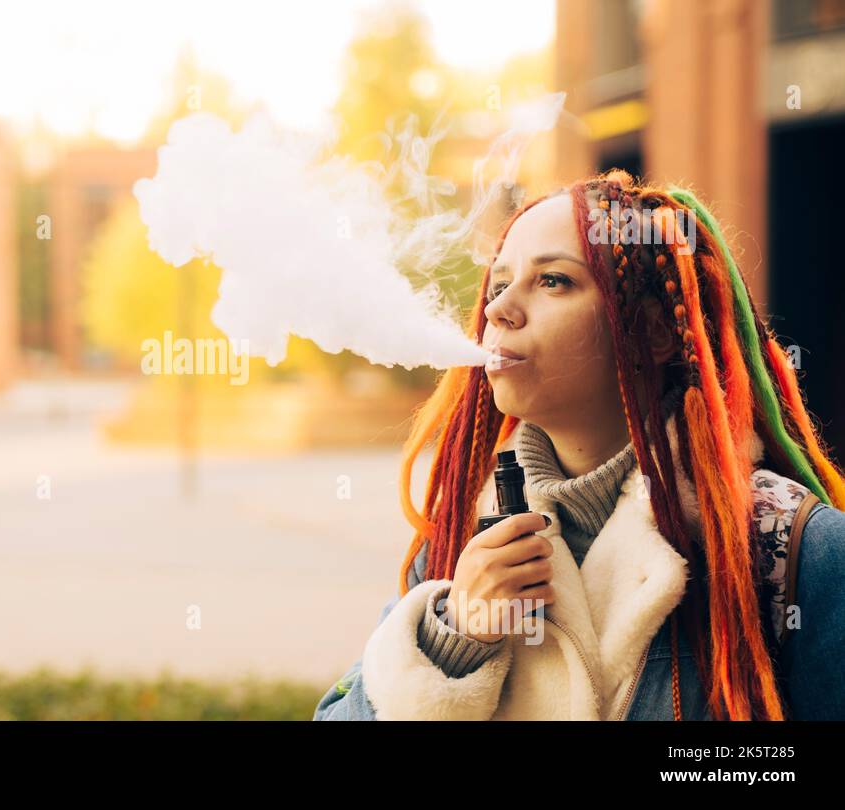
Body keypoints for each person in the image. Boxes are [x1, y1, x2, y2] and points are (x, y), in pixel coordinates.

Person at [314, 170, 845, 720]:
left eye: (553, 281)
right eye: (499, 285)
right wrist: (456, 638)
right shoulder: (461, 536)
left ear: (656, 332)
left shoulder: (792, 550)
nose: (498, 310)